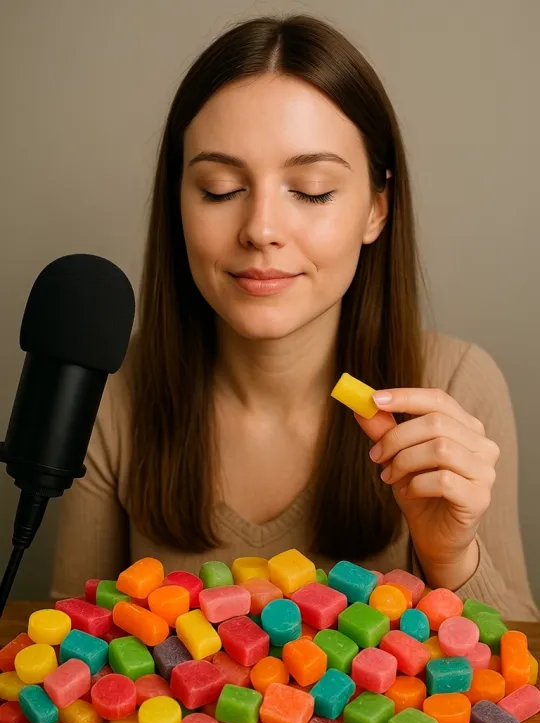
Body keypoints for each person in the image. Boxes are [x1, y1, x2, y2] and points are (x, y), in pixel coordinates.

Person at [51, 13, 539, 621]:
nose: (260, 230)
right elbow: (66, 657)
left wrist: (452, 556)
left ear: (376, 210)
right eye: (221, 189)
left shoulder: (460, 383)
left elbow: (516, 681)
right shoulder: (114, 394)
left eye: (310, 190)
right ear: (177, 202)